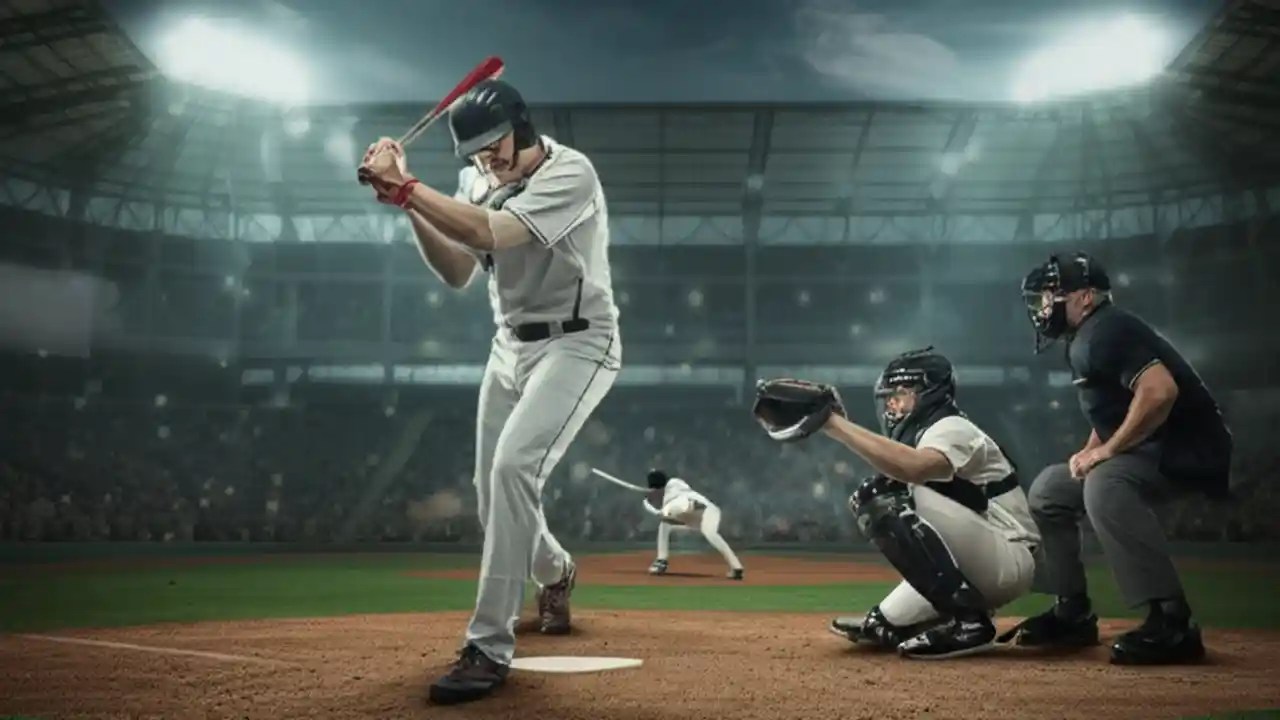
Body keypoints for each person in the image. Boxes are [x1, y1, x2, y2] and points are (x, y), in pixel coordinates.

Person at [360, 78, 622, 704]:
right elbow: (455, 269)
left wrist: (407, 187)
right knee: (490, 494)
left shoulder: (571, 173)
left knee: (512, 468)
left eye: (493, 142)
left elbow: (489, 234)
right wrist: (409, 204)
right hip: (510, 347)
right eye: (475, 150)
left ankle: (488, 646)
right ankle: (555, 571)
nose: (486, 158)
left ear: (521, 126)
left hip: (579, 342)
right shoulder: (478, 181)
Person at [1009, 252, 1231, 665]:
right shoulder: (1089, 333)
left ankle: (1172, 622)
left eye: (1052, 295)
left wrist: (1106, 453)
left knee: (1105, 483)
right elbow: (1116, 408)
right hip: (1155, 443)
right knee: (1049, 490)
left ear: (1086, 297)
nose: (1043, 306)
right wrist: (1093, 448)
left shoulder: (1107, 330)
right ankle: (1071, 611)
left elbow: (1159, 392)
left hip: (1189, 447)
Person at [753, 350, 1040, 660]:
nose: (891, 403)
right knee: (883, 624)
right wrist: (834, 424)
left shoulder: (952, 427)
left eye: (901, 394)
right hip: (986, 553)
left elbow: (913, 468)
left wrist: (833, 424)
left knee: (881, 494)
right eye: (888, 396)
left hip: (1008, 557)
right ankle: (943, 616)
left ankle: (969, 623)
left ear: (930, 394)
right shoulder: (928, 432)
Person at [643, 469, 745, 580]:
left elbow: (677, 508)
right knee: (665, 525)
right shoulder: (676, 486)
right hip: (696, 519)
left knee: (710, 533)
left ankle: (736, 567)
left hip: (708, 513)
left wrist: (647, 505)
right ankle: (661, 560)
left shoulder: (673, 499)